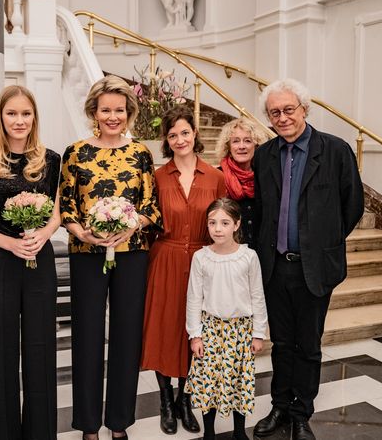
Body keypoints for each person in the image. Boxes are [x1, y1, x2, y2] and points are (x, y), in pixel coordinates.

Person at [252, 78, 364, 440]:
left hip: (314, 268)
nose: (283, 118)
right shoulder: (264, 154)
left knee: (309, 345)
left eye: (289, 109)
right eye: (275, 112)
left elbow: (352, 207)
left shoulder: (335, 150)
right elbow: (260, 210)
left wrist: (321, 243)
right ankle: (280, 406)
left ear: (304, 109)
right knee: (282, 343)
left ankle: (302, 413)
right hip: (275, 268)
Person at [60, 74, 161, 439]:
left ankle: (118, 423)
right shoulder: (75, 152)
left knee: (126, 336)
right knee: (86, 336)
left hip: (132, 253)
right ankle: (88, 425)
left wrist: (132, 227)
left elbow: (151, 206)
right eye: (106, 110)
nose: (113, 116)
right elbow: (67, 206)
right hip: (87, 253)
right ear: (94, 111)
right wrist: (81, 232)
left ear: (129, 113)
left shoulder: (141, 154)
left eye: (119, 110)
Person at [0, 85, 61, 438]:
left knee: (40, 350)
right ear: (1, 117)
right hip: (0, 262)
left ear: (34, 117)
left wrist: (45, 234)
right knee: (2, 350)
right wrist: (10, 243)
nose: (19, 120)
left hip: (40, 258)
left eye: (26, 113)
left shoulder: (51, 159)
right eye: (12, 113)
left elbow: (58, 210)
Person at [140, 105, 225, 435]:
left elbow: (224, 223)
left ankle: (185, 399)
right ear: (166, 140)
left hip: (204, 263)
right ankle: (165, 399)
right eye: (172, 134)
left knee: (195, 333)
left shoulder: (215, 177)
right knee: (164, 329)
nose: (179, 139)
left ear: (195, 134)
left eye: (184, 132)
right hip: (165, 259)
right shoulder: (157, 177)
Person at [185, 197, 267, 440]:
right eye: (212, 223)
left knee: (238, 382)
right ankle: (209, 432)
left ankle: (239, 432)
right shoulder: (201, 257)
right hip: (210, 330)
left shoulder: (248, 257)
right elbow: (194, 298)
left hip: (240, 331)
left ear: (237, 224)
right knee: (209, 383)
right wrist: (195, 334)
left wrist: (259, 333)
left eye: (224, 222)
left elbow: (257, 296)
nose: (217, 229)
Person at [216, 117, 269, 250]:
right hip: (228, 254)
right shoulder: (218, 176)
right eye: (235, 141)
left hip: (261, 253)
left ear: (256, 145)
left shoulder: (266, 175)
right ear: (228, 146)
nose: (241, 146)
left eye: (247, 141)